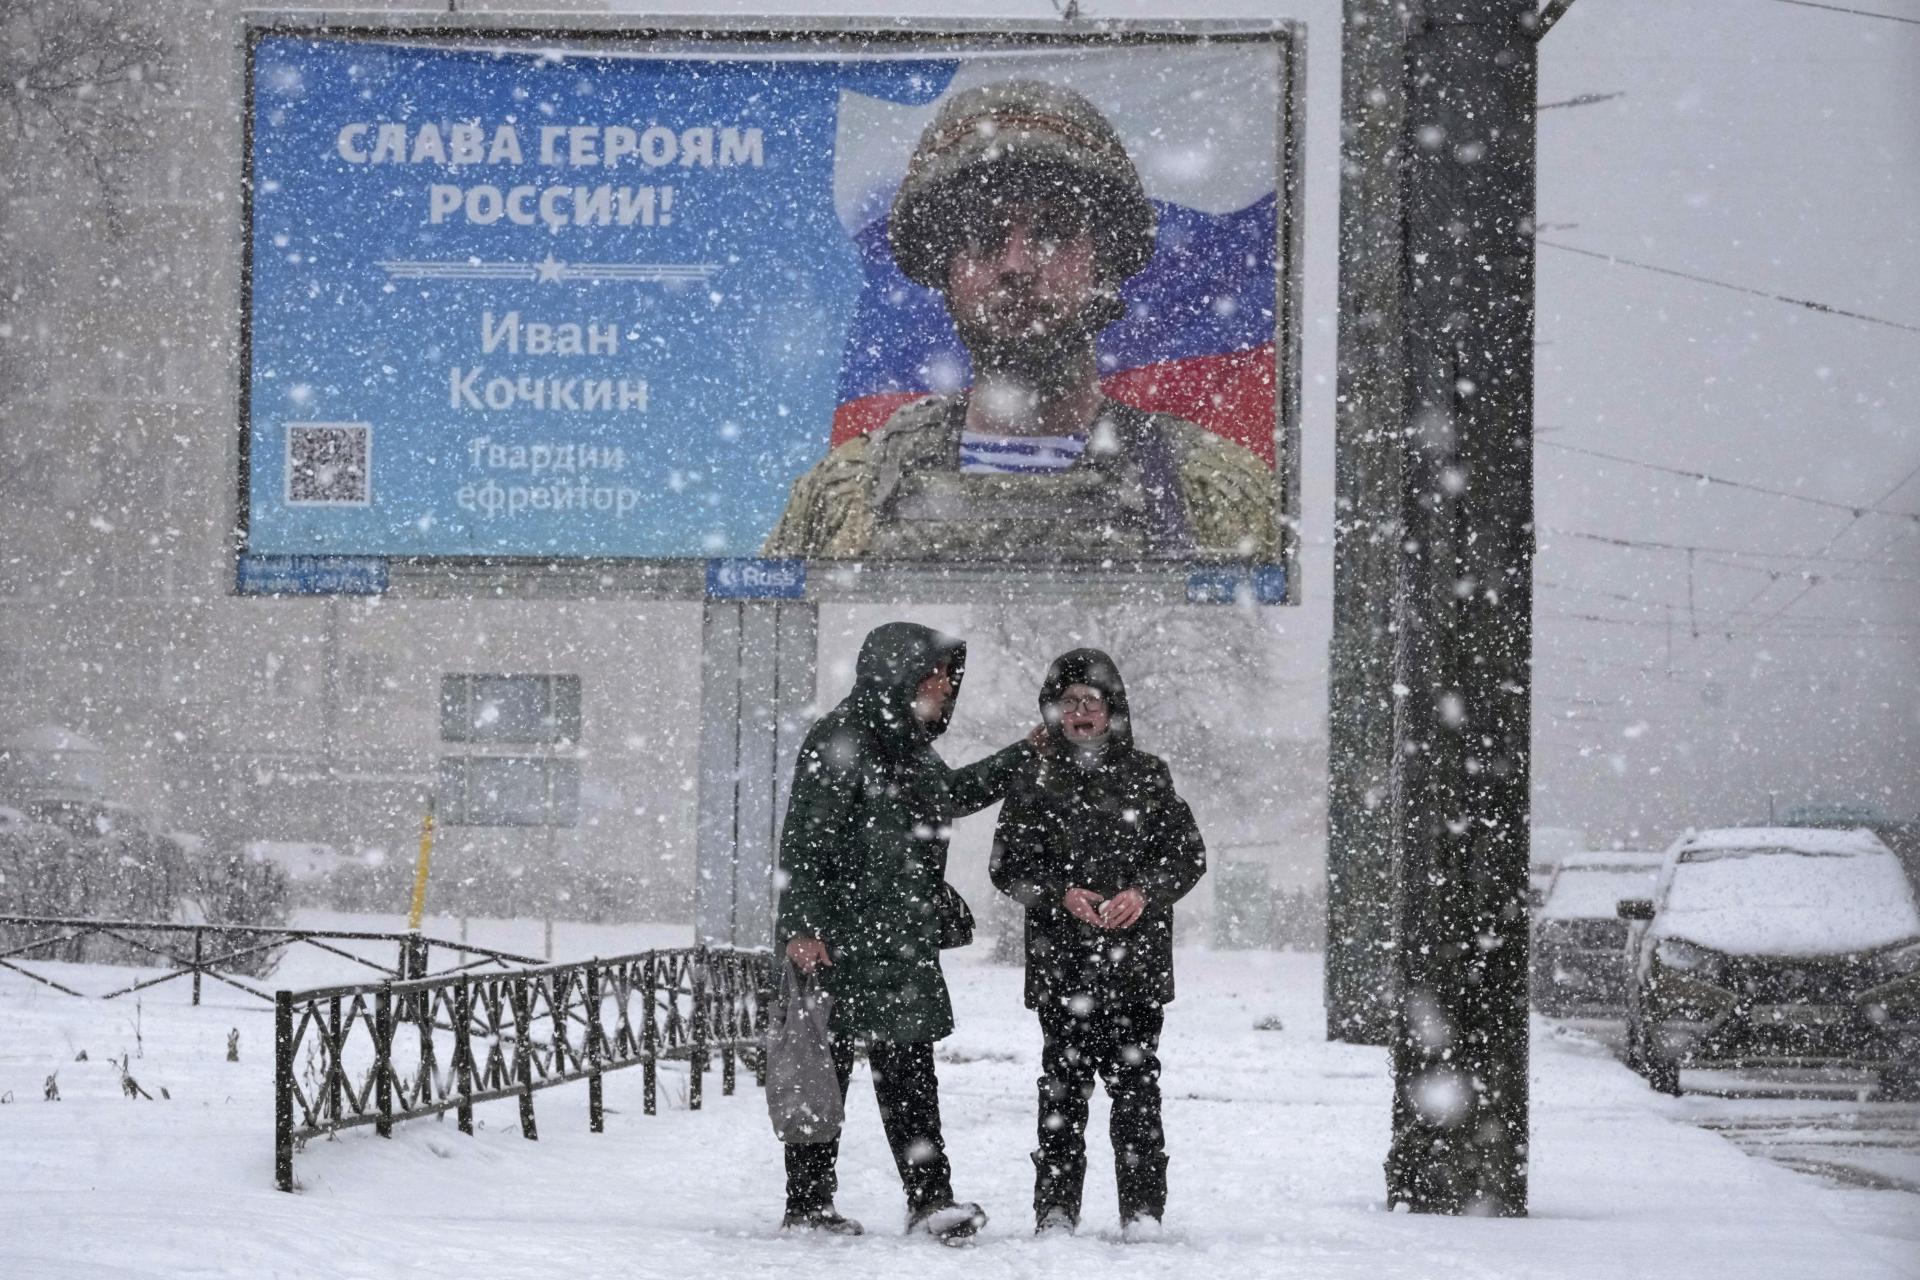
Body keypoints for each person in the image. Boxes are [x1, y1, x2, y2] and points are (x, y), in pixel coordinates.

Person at [762, 78, 1279, 563]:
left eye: (1052, 232)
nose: (1016, 265)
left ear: (1101, 262)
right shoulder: (849, 493)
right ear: (948, 271)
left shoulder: (1207, 492)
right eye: (983, 236)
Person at [775, 621, 1037, 1241]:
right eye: (936, 674)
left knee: (910, 1075)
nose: (946, 686)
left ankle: (930, 1201)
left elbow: (953, 793)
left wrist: (1024, 754)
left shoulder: (909, 750)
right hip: (839, 942)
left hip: (897, 943)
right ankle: (807, 1206)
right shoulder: (840, 738)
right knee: (823, 1073)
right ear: (902, 676)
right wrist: (802, 927)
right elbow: (806, 840)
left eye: (946, 675)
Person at [989, 648, 1206, 1239]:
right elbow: (1006, 868)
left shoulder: (1149, 774)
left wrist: (1144, 892)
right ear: (1051, 711)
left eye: (1091, 700)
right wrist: (1060, 894)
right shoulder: (1033, 779)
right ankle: (1056, 1210)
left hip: (1135, 966)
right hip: (1062, 966)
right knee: (1062, 1092)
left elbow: (1187, 856)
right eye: (1068, 702)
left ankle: (1143, 1213)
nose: (1080, 713)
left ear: (1114, 709)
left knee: (1137, 1090)